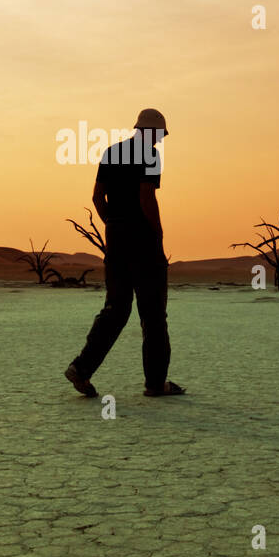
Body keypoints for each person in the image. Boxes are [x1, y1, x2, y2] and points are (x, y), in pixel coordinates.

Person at [65, 108, 186, 398]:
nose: (160, 141)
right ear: (153, 132)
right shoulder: (150, 155)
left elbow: (97, 196)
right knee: (153, 314)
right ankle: (156, 384)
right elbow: (147, 197)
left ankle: (81, 369)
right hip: (143, 242)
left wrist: (113, 225)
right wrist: (157, 233)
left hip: (117, 243)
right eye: (159, 135)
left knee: (116, 310)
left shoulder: (110, 153)